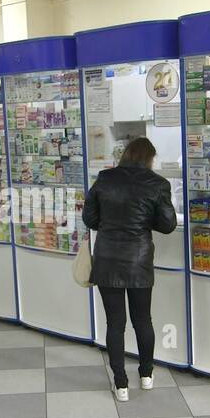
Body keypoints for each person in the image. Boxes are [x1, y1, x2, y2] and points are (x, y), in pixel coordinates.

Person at [82, 137, 178, 402]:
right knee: (142, 320)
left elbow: (89, 218)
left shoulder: (104, 178)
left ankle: (120, 384)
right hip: (139, 260)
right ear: (149, 158)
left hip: (107, 258)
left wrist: (111, 222)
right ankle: (146, 375)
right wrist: (144, 221)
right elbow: (168, 224)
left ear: (125, 155)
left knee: (115, 324)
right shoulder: (158, 184)